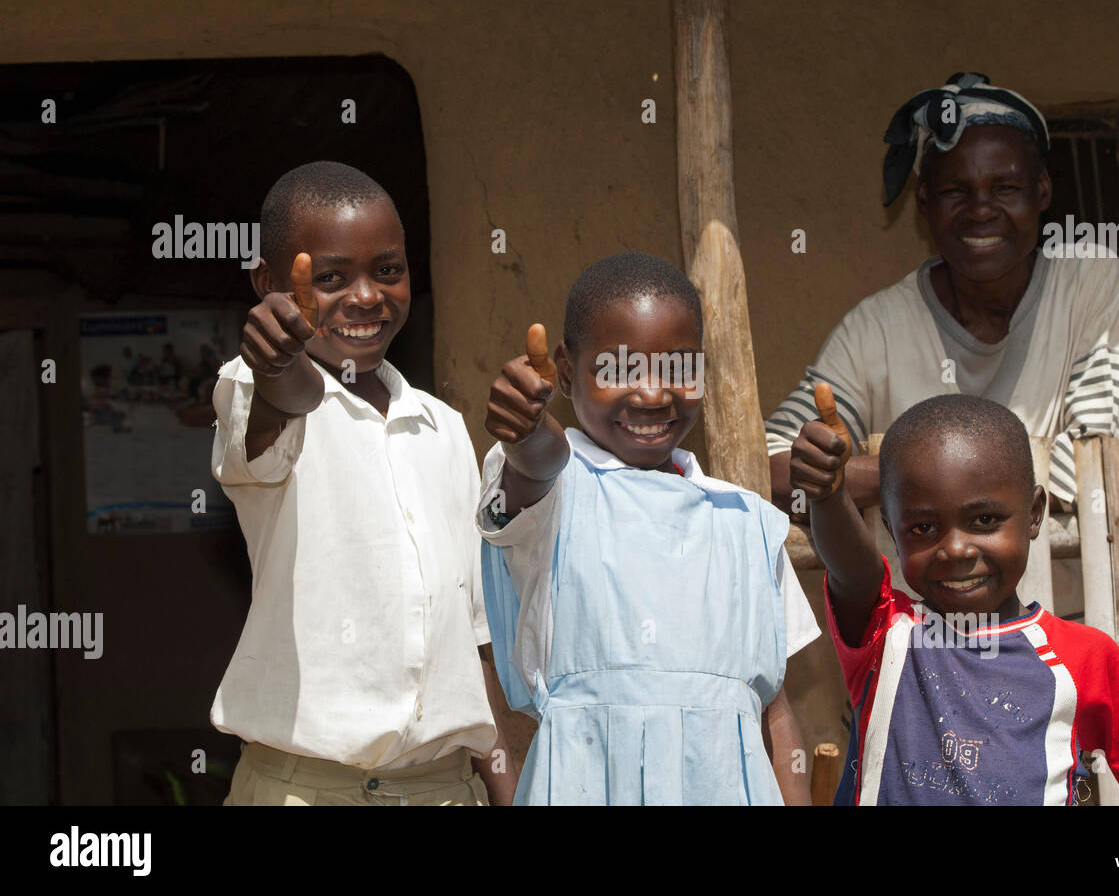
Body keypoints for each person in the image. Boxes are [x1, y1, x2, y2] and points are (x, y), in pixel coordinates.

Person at [767, 73, 1119, 608]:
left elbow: (1095, 470)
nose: (981, 209)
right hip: (921, 648)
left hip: (1068, 631)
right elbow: (774, 469)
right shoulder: (877, 327)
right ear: (924, 201)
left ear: (1042, 192)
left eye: (1005, 188)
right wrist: (862, 475)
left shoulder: (1087, 283)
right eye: (954, 190)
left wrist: (889, 481)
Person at [209, 160, 516, 806]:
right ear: (269, 284)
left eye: (388, 269)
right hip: (304, 789)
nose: (368, 296)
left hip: (446, 788)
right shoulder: (250, 387)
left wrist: (506, 786)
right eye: (329, 277)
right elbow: (280, 403)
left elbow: (475, 634)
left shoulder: (444, 428)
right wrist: (278, 360)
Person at [477, 252, 820, 805]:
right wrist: (526, 431)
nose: (654, 394)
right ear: (566, 371)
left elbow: (772, 708)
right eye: (619, 369)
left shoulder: (747, 523)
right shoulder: (556, 492)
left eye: (680, 368)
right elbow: (536, 463)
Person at [792, 390, 1119, 806]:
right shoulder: (887, 633)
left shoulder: (1087, 658)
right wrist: (828, 494)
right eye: (924, 528)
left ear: (1034, 513)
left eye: (984, 520)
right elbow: (850, 565)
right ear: (892, 531)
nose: (956, 549)